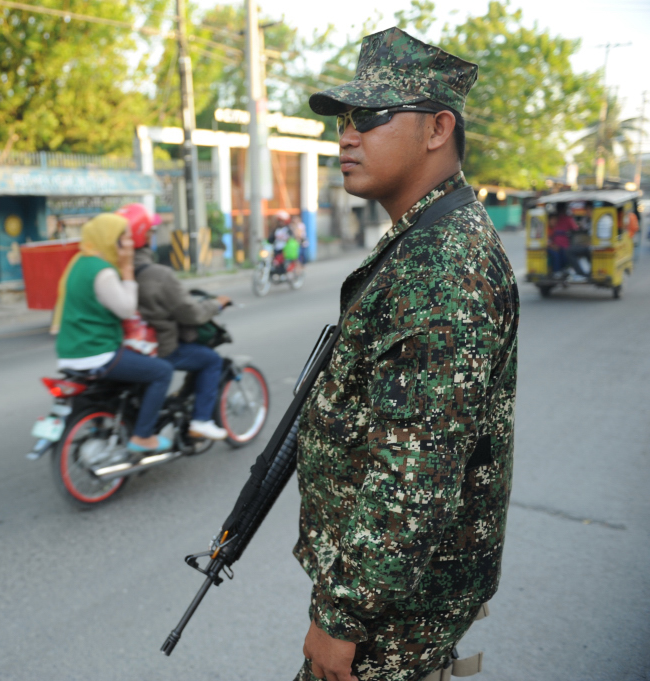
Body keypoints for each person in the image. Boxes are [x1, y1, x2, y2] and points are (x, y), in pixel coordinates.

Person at [295, 27, 519, 681]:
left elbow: (412, 479)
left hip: (387, 620)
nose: (346, 135)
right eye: (343, 119)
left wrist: (340, 615)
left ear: (436, 128)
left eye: (369, 116)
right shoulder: (426, 233)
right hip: (392, 602)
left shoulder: (439, 262)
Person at [51, 213, 174, 454]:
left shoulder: (78, 263)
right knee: (162, 371)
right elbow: (126, 309)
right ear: (110, 240)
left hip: (69, 354)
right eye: (125, 238)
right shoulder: (103, 272)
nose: (130, 243)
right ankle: (143, 436)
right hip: (98, 353)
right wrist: (127, 271)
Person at [119, 203, 231, 441]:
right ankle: (201, 421)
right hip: (161, 348)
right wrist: (217, 304)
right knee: (211, 361)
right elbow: (191, 313)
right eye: (150, 232)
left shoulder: (113, 271)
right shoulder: (159, 275)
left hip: (125, 347)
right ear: (144, 236)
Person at [547, 202, 579, 275]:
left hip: (560, 246)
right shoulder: (566, 219)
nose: (554, 221)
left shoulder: (559, 219)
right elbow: (575, 229)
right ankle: (557, 271)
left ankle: (562, 271)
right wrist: (552, 245)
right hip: (558, 246)